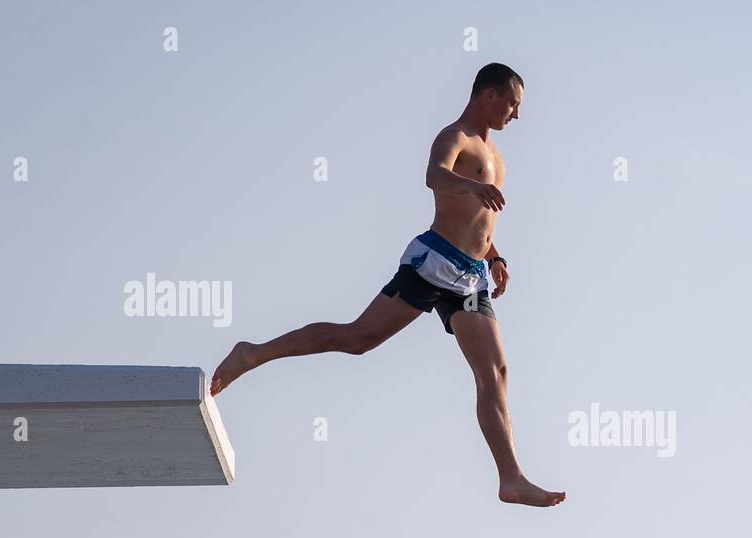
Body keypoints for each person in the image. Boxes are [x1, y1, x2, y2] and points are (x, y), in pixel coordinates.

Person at [209, 63, 565, 507]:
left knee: (495, 371)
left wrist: (496, 258)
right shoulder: (453, 136)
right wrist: (469, 187)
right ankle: (253, 353)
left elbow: (481, 223)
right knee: (357, 338)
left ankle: (510, 478)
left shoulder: (497, 157)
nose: (516, 115)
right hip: (433, 262)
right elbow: (434, 176)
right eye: (512, 103)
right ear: (488, 94)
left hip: (472, 277)